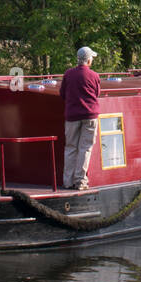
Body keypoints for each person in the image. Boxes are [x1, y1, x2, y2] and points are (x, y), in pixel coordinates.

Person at [59, 46, 101, 190]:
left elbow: (62, 93)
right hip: (90, 115)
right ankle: (80, 181)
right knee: (85, 148)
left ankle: (68, 181)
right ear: (89, 60)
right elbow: (97, 94)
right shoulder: (94, 76)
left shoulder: (68, 74)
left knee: (70, 148)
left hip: (72, 116)